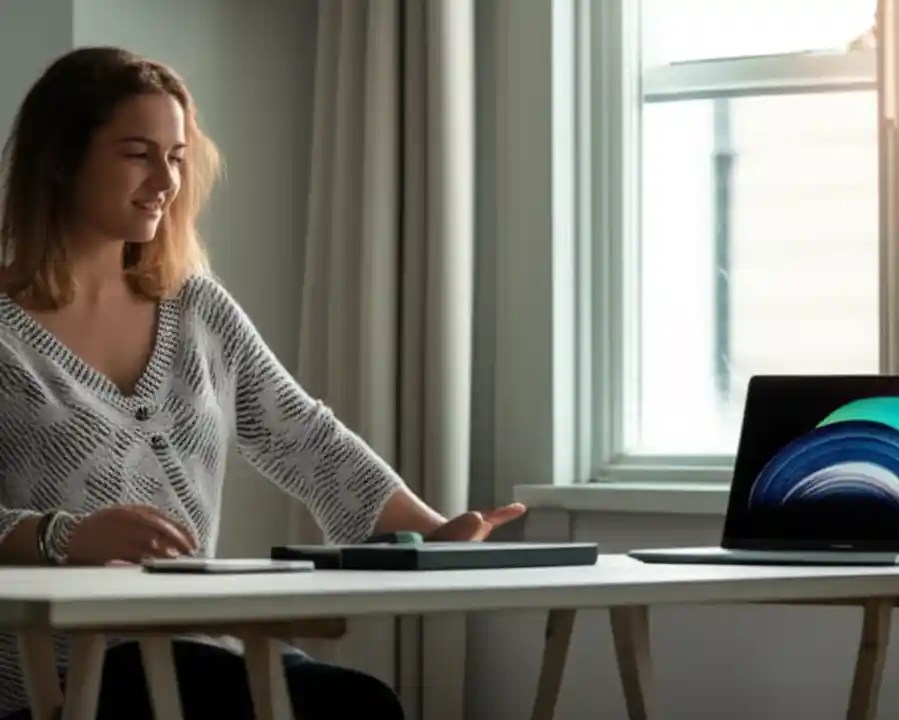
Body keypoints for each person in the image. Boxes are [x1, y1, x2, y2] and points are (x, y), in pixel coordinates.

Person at [0, 46, 525, 720]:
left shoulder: (197, 309)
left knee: (360, 705)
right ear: (60, 160)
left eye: (177, 156)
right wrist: (61, 536)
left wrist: (431, 535)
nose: (166, 179)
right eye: (138, 153)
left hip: (201, 645)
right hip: (64, 678)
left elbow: (305, 436)